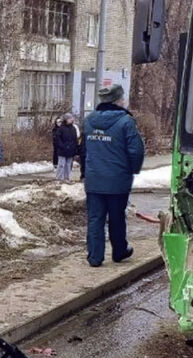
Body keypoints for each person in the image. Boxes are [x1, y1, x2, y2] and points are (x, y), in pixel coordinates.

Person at [83, 84, 145, 267]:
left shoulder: (88, 120)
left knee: (95, 218)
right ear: (118, 100)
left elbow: (84, 150)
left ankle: (95, 256)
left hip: (94, 179)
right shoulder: (126, 121)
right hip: (117, 179)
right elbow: (136, 151)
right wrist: (132, 170)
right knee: (117, 217)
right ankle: (119, 251)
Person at [53, 113, 81, 181]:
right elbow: (58, 139)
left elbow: (75, 139)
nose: (72, 120)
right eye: (70, 118)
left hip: (71, 150)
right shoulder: (61, 129)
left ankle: (67, 178)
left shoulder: (73, 128)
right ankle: (59, 178)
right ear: (66, 119)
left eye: (72, 118)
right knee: (61, 165)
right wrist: (62, 146)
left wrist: (75, 148)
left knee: (68, 165)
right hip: (62, 150)